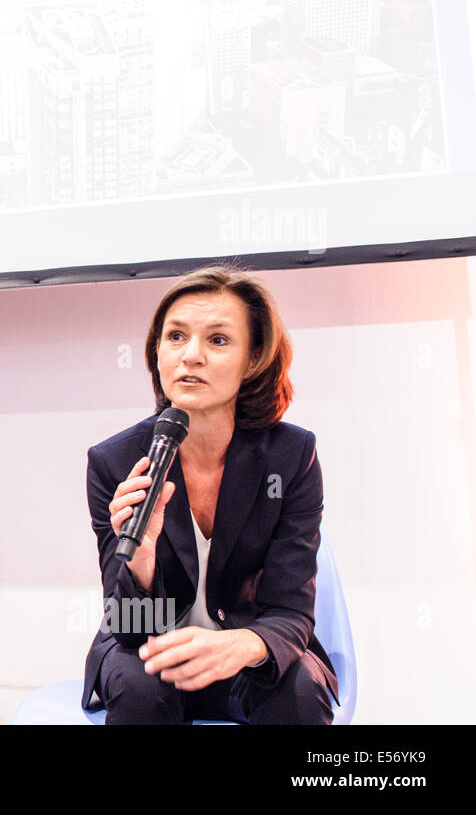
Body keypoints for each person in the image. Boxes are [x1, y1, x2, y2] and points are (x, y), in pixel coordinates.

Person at [83, 265, 338, 724]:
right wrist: (139, 563)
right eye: (175, 337)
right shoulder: (115, 461)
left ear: (254, 359)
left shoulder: (291, 455)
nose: (191, 356)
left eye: (218, 340)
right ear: (156, 351)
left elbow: (290, 610)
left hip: (246, 651)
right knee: (140, 686)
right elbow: (128, 628)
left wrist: (241, 645)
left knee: (299, 690)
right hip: (150, 647)